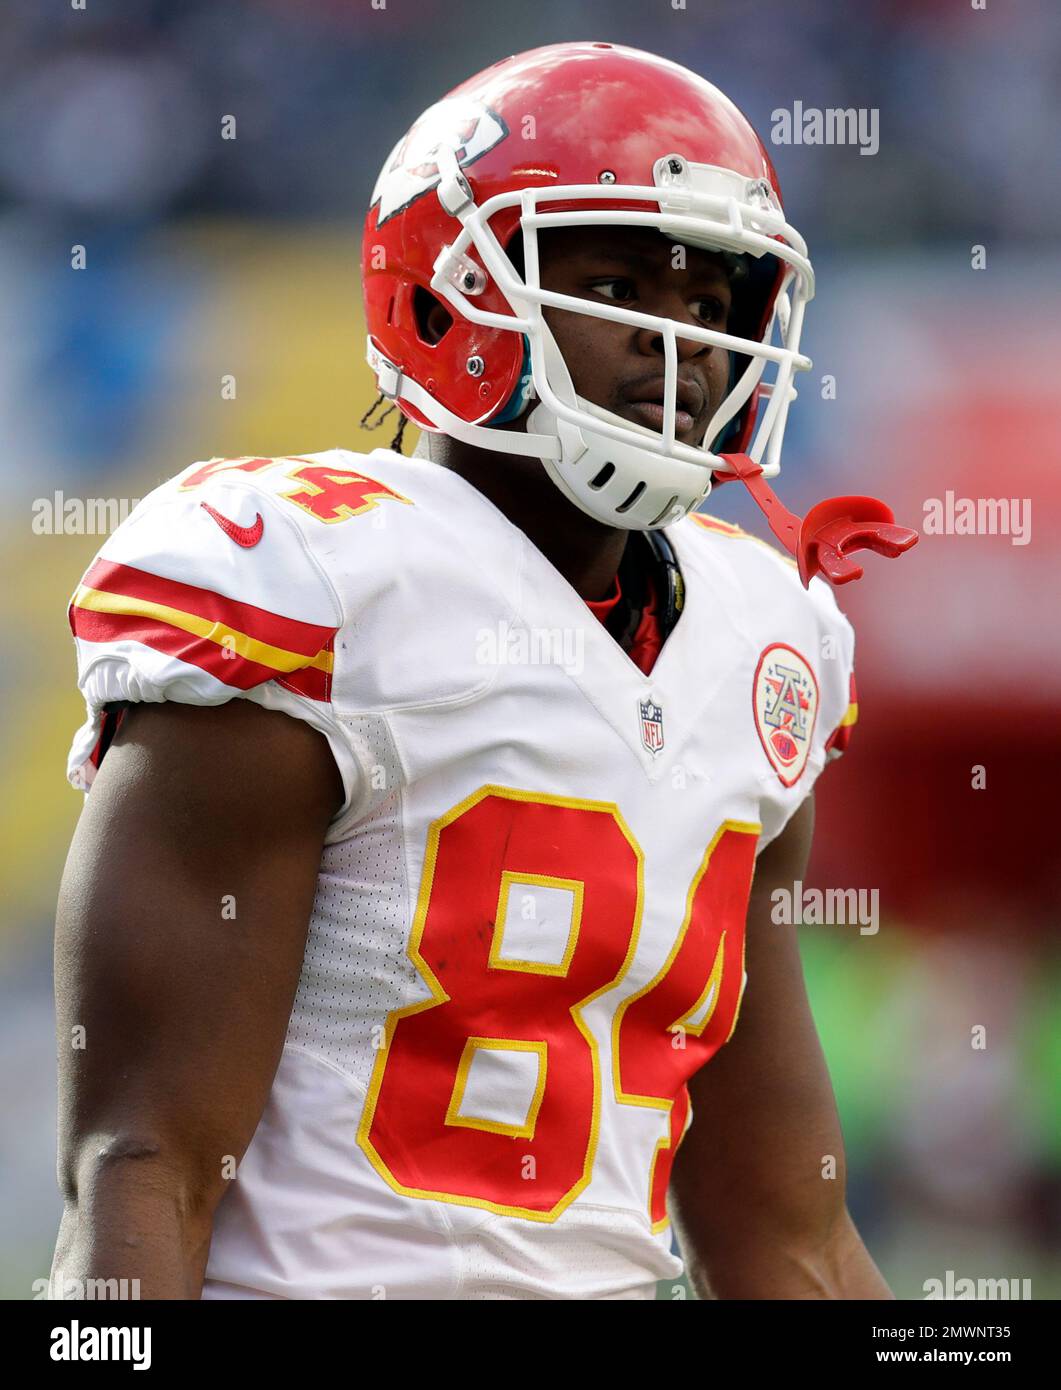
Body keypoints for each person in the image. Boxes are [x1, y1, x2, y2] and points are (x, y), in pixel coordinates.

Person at [52, 41, 906, 1300]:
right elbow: (141, 1166)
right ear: (446, 297)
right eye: (620, 283)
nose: (683, 351)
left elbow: (785, 1233)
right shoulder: (311, 585)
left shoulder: (757, 635)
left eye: (713, 311)